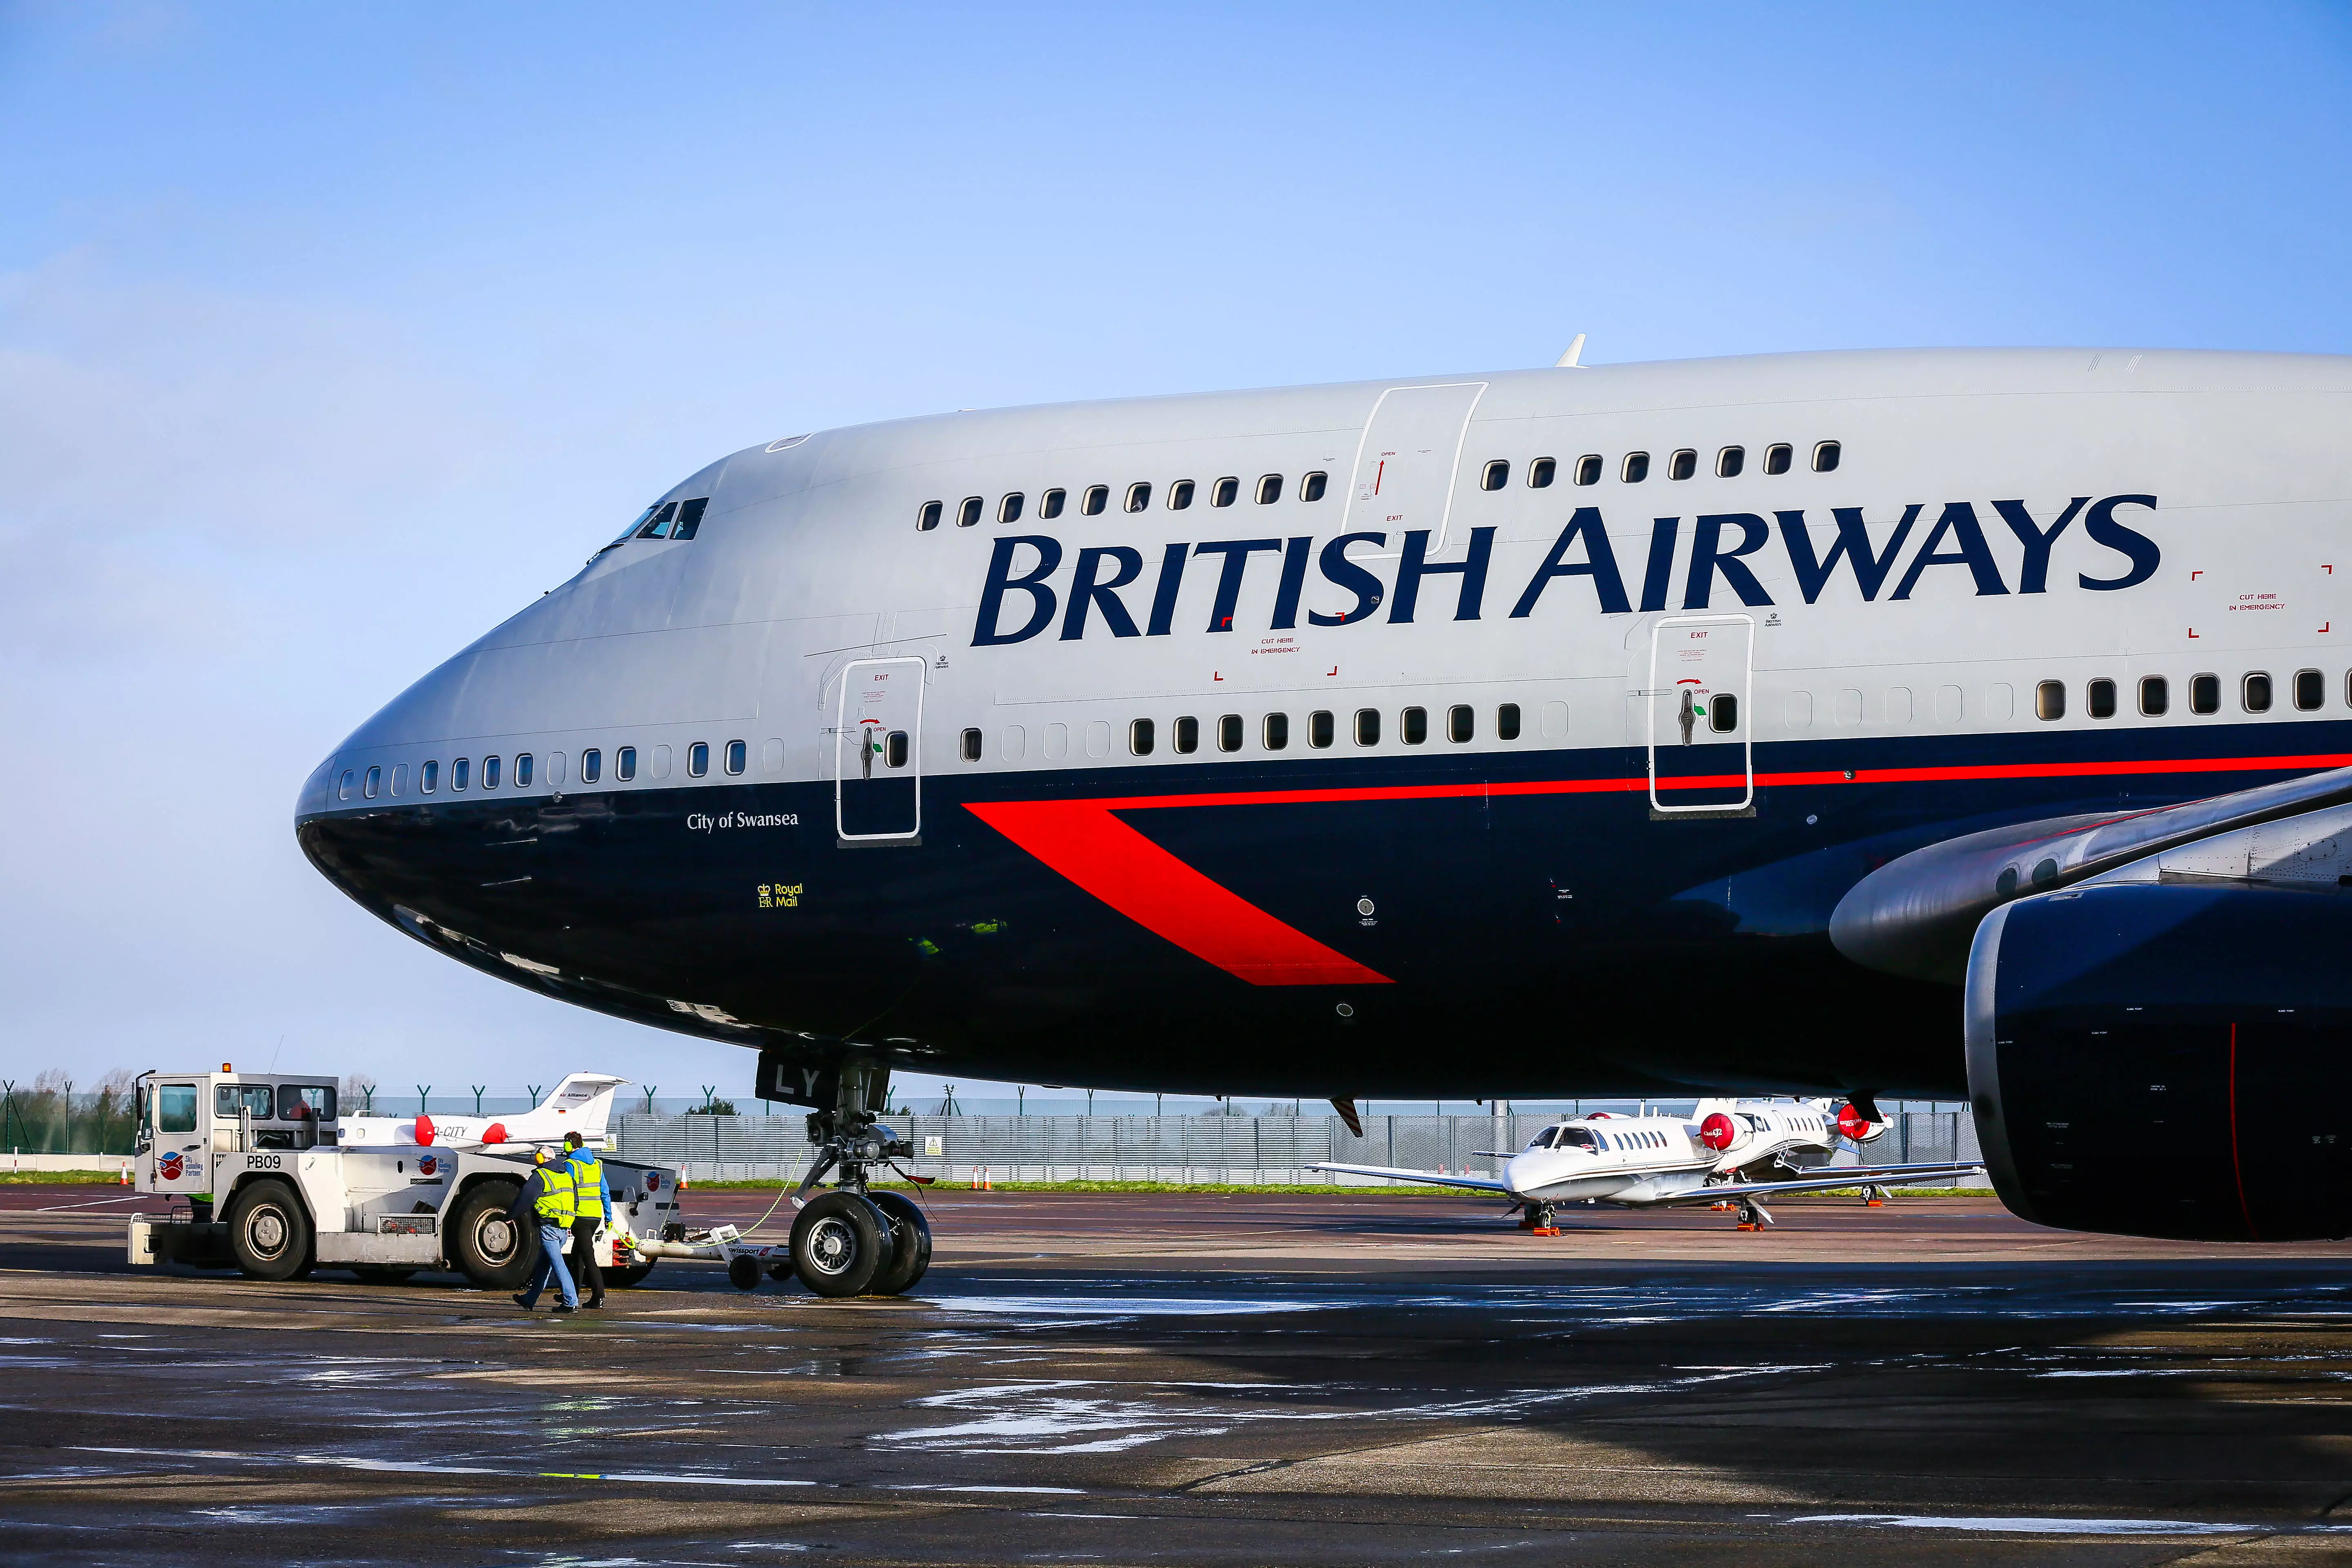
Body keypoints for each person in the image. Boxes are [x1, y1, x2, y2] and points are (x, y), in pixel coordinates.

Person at [508, 1147, 579, 1313]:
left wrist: (511, 1215)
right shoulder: (567, 1176)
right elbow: (575, 1200)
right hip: (563, 1228)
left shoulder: (541, 1176)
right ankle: (530, 1299)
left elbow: (525, 1197)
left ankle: (571, 1301)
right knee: (544, 1264)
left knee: (558, 1264)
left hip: (549, 1228)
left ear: (541, 1158)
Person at [564, 1130, 610, 1310]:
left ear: (569, 1145)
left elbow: (567, 1193)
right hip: (595, 1217)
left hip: (580, 1218)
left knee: (588, 1259)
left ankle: (598, 1296)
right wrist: (609, 1217)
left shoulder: (571, 1165)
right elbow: (605, 1192)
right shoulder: (598, 1164)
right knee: (577, 1256)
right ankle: (571, 1294)